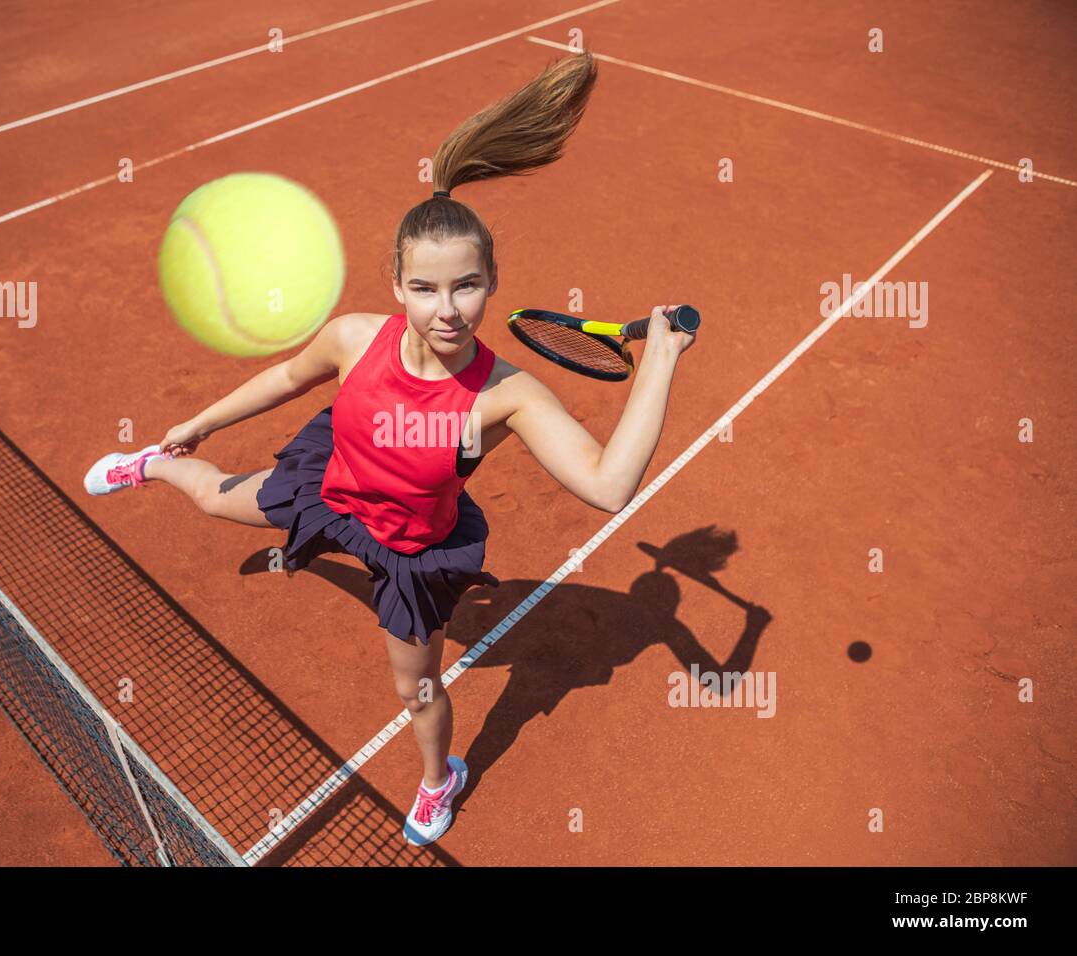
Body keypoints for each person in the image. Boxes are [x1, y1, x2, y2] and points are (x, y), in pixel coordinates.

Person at [84, 49, 696, 848]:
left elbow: (610, 486)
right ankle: (150, 466)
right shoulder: (353, 338)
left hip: (411, 545)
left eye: (466, 286)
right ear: (397, 282)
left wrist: (661, 361)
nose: (448, 310)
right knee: (207, 493)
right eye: (426, 288)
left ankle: (442, 779)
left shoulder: (505, 393)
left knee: (416, 688)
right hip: (331, 485)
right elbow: (281, 381)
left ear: (492, 281)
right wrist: (198, 424)